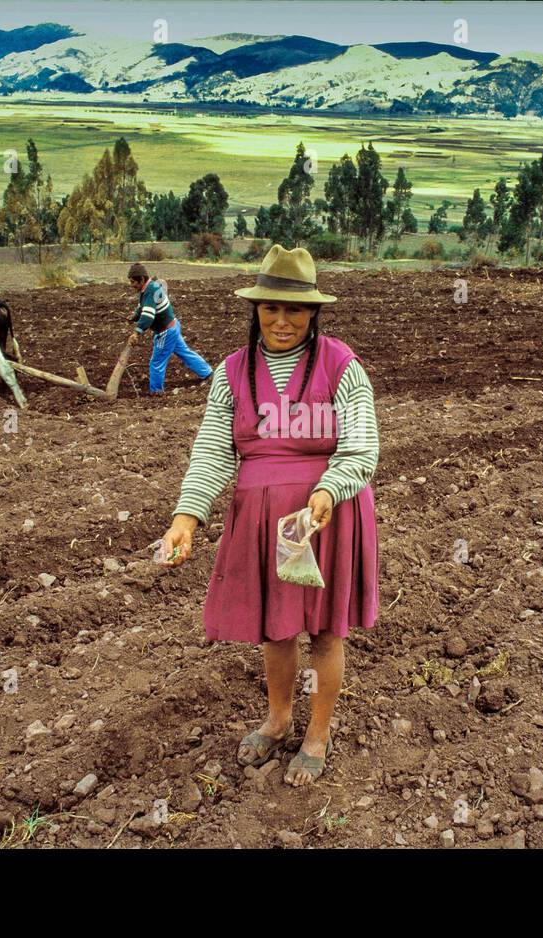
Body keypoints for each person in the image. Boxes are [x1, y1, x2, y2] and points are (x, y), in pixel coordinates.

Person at [156, 245, 379, 787]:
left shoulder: (342, 365)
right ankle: (278, 721)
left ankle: (317, 735)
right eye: (270, 308)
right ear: (255, 310)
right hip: (260, 519)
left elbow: (361, 448)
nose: (283, 320)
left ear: (314, 312)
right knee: (276, 632)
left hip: (326, 518)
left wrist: (326, 494)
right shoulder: (233, 372)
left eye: (295, 309)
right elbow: (213, 450)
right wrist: (186, 517)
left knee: (325, 632)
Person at [127, 262, 212, 392]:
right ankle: (208, 373)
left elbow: (148, 316)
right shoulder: (149, 288)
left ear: (142, 279)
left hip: (165, 332)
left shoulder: (150, 291)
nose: (131, 285)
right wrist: (134, 315)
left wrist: (137, 332)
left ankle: (156, 392)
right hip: (173, 325)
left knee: (156, 363)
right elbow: (142, 307)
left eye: (133, 282)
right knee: (185, 352)